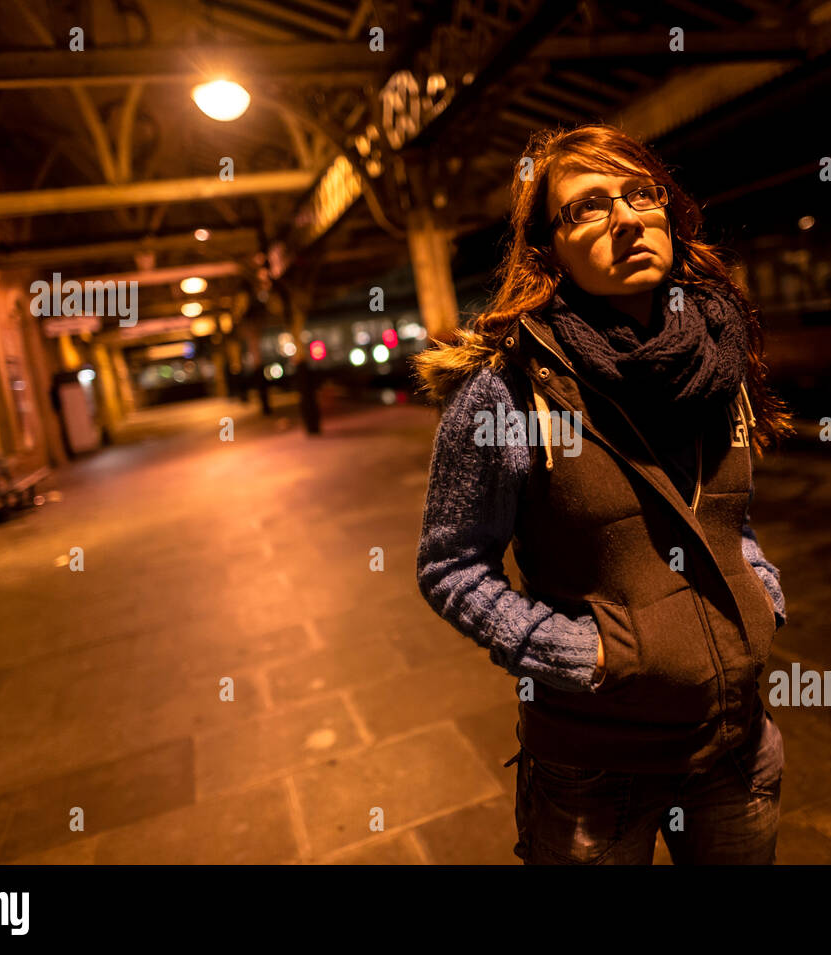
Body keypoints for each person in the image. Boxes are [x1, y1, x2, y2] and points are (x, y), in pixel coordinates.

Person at [414, 123, 795, 865]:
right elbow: (451, 566)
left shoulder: (716, 358)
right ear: (547, 248)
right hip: (595, 768)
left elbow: (724, 518)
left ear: (668, 213)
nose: (626, 217)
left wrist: (760, 586)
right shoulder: (508, 390)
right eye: (589, 206)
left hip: (737, 746)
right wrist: (581, 653)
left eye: (640, 194)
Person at [292, 356, 323, 434]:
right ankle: (315, 428)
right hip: (310, 397)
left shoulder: (299, 371)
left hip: (305, 397)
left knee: (308, 412)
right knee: (312, 411)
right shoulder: (307, 369)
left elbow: (298, 384)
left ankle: (311, 428)